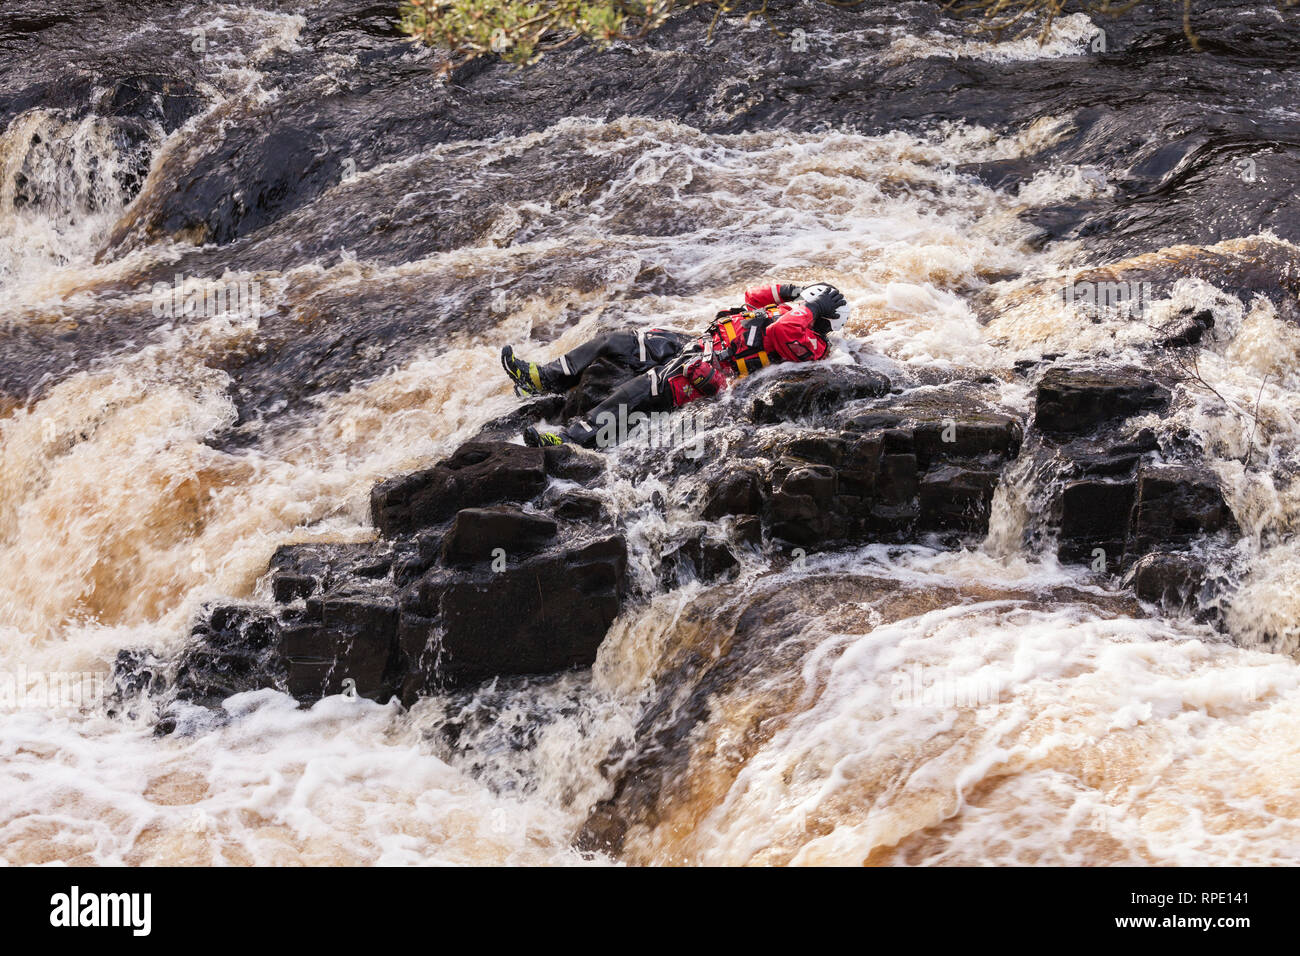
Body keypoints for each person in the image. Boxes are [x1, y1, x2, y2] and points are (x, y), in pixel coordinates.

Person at [501, 282, 849, 448]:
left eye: (809, 305)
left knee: (643, 388)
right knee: (620, 341)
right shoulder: (791, 312)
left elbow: (781, 330)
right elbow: (751, 298)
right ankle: (546, 378)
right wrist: (793, 290)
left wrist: (810, 308)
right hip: (699, 345)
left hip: (711, 375)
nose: (799, 306)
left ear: (821, 318)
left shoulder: (812, 346)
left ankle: (573, 438)